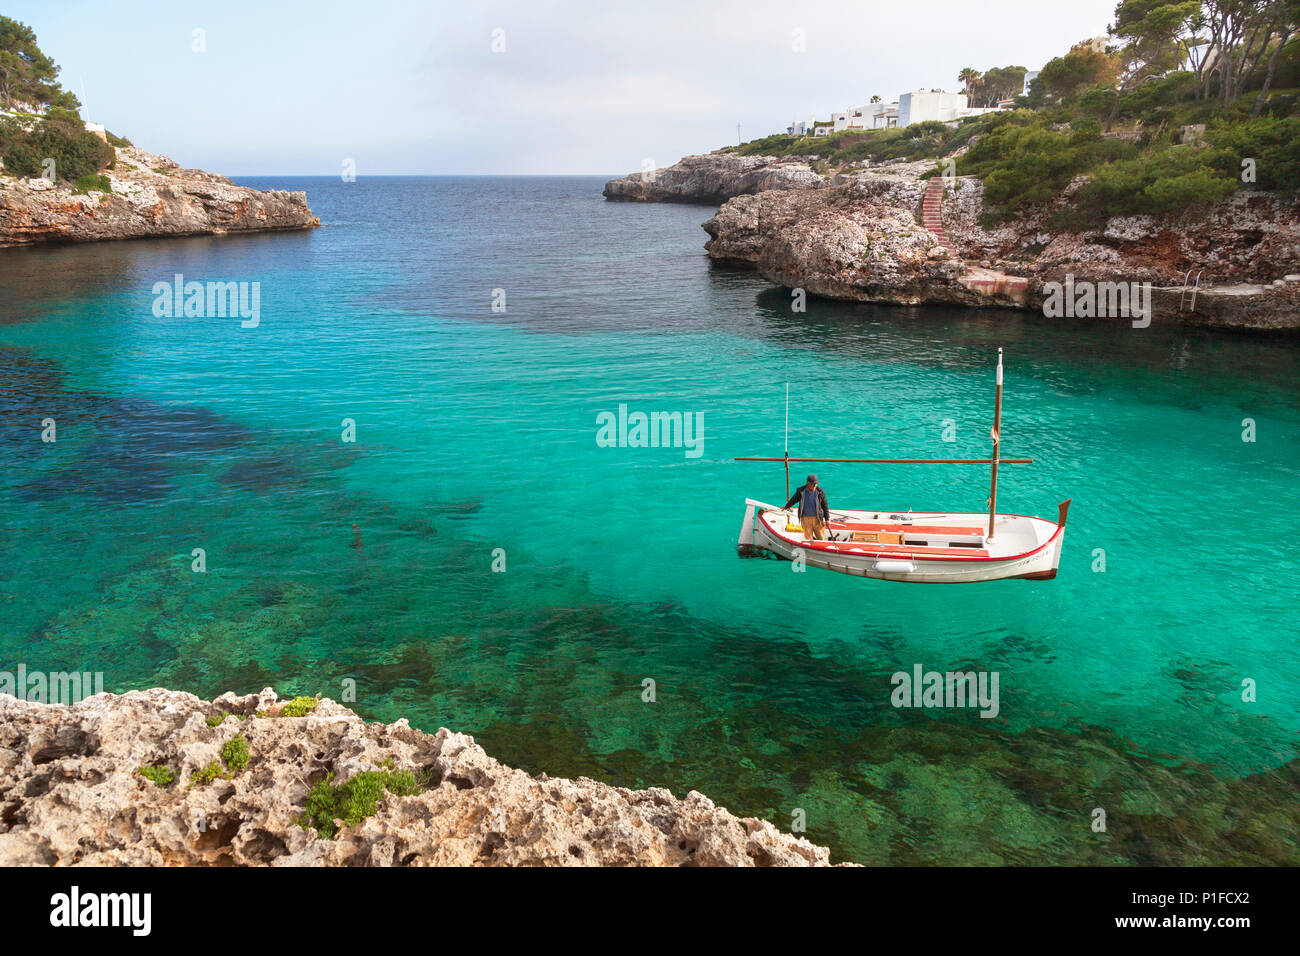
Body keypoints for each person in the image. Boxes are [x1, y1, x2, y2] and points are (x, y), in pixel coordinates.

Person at [785, 474, 829, 541]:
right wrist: (786, 506)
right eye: (812, 484)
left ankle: (818, 546)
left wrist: (827, 519)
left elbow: (825, 505)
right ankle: (811, 546)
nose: (814, 486)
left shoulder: (820, 492)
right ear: (807, 482)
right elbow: (794, 500)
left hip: (818, 518)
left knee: (821, 538)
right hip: (805, 519)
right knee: (809, 539)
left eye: (815, 484)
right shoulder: (801, 491)